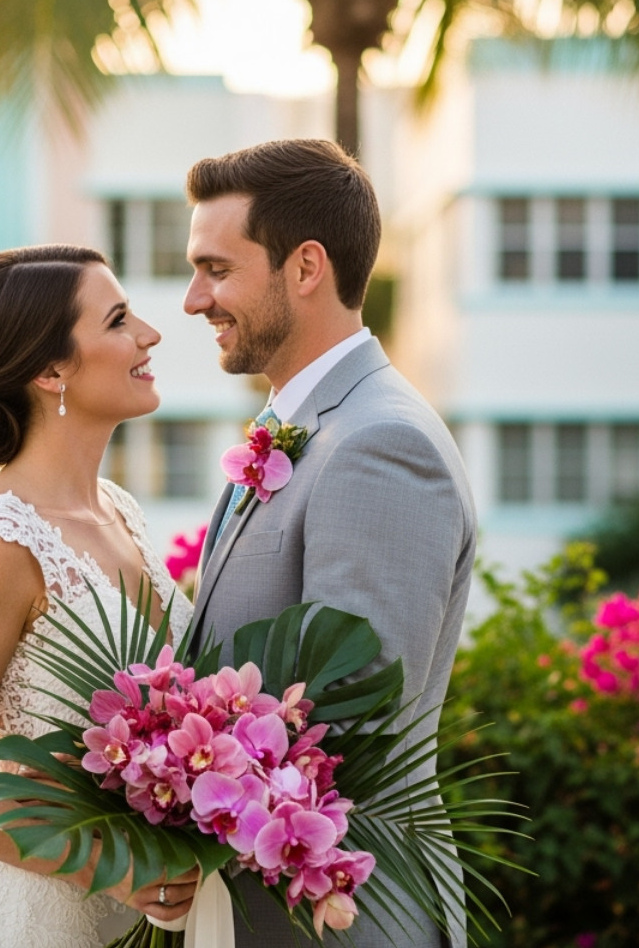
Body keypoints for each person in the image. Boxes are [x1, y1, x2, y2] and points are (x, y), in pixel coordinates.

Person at [183, 140, 477, 948]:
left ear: (305, 267)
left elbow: (350, 719)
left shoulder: (379, 443)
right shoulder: (310, 425)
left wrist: (176, 779)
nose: (192, 300)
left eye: (215, 269)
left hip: (342, 925)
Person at [0, 245, 199, 948]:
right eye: (120, 320)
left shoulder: (121, 512)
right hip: (44, 921)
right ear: (50, 369)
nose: (149, 334)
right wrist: (111, 866)